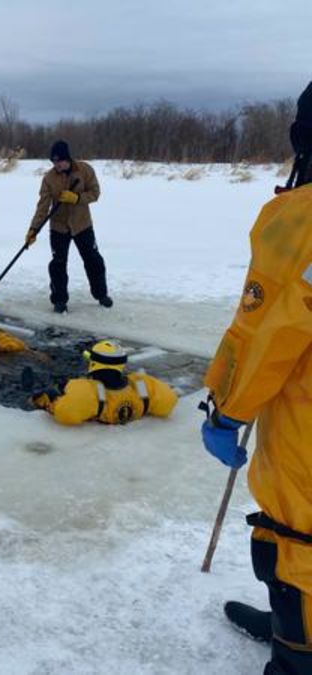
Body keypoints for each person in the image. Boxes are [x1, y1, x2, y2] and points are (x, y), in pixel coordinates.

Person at [201, 80, 312, 673]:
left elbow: (272, 330)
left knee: (299, 537)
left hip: (306, 420)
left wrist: (228, 409)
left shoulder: (299, 218)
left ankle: (297, 652)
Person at [24, 141, 111, 313]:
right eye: (54, 162)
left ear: (68, 158)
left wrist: (77, 198)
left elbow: (95, 193)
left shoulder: (85, 170)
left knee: (93, 260)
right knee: (58, 264)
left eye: (60, 161)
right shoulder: (49, 179)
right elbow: (43, 206)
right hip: (58, 227)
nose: (57, 165)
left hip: (82, 224)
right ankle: (59, 300)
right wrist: (33, 229)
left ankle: (101, 294)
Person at [30, 340, 176, 425]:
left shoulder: (86, 391)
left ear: (94, 363)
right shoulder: (142, 385)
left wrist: (45, 401)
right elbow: (169, 401)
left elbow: (65, 414)